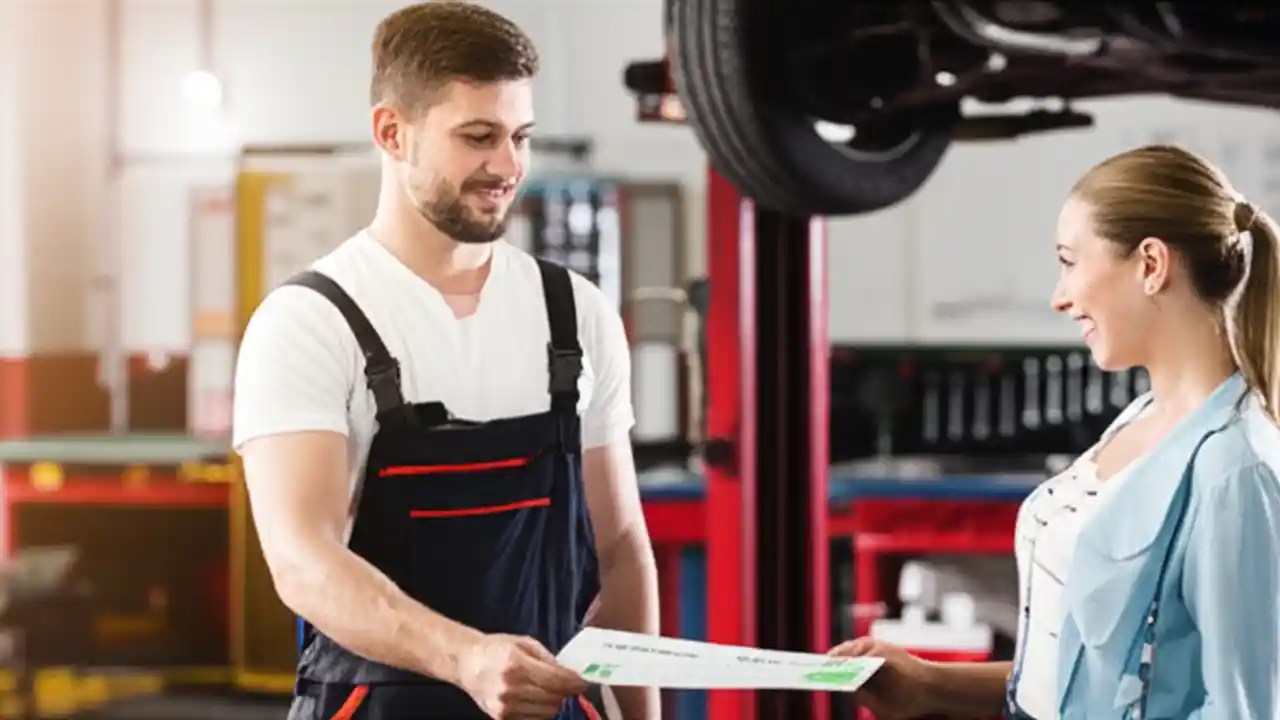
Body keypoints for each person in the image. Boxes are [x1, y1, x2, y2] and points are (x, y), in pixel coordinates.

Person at [231, 3, 660, 719]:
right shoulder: (310, 322)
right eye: (478, 137)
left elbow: (619, 548)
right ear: (392, 133)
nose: (508, 165)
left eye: (520, 136)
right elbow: (303, 561)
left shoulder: (574, 315)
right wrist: (465, 658)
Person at [830, 144, 1280, 719]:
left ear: (1150, 265)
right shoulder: (1139, 419)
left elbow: (1246, 709)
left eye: (1070, 261)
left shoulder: (1233, 468)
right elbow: (1078, 682)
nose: (1060, 296)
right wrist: (930, 685)